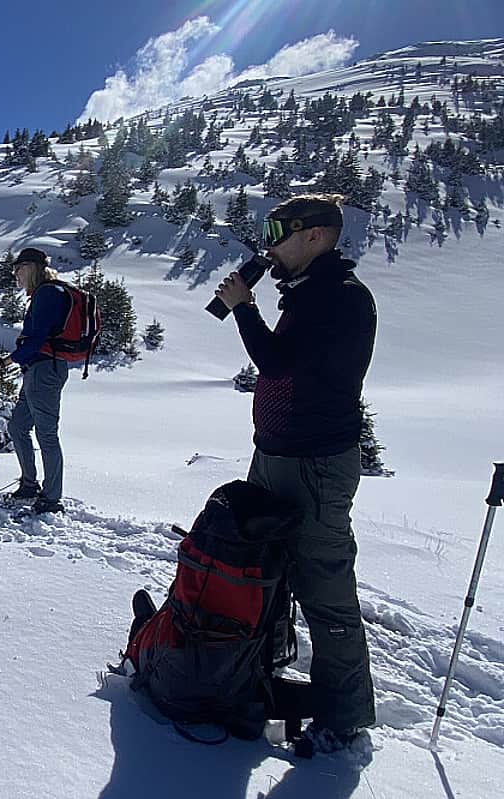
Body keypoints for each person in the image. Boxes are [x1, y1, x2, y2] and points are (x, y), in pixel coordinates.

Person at [213, 194, 377, 753]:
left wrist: (242, 307)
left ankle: (344, 721)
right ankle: (267, 681)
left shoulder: (339, 297)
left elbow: (278, 362)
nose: (271, 240)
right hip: (280, 454)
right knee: (268, 570)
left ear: (316, 235)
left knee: (325, 588)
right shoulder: (312, 292)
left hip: (314, 465)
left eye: (281, 229)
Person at [0, 247, 75, 515]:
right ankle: (29, 485)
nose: (15, 274)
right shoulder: (45, 293)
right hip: (37, 371)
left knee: (47, 435)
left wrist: (8, 360)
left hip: (44, 371)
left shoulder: (48, 293)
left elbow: (37, 337)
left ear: (31, 267)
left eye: (18, 268)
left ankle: (51, 500)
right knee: (18, 427)